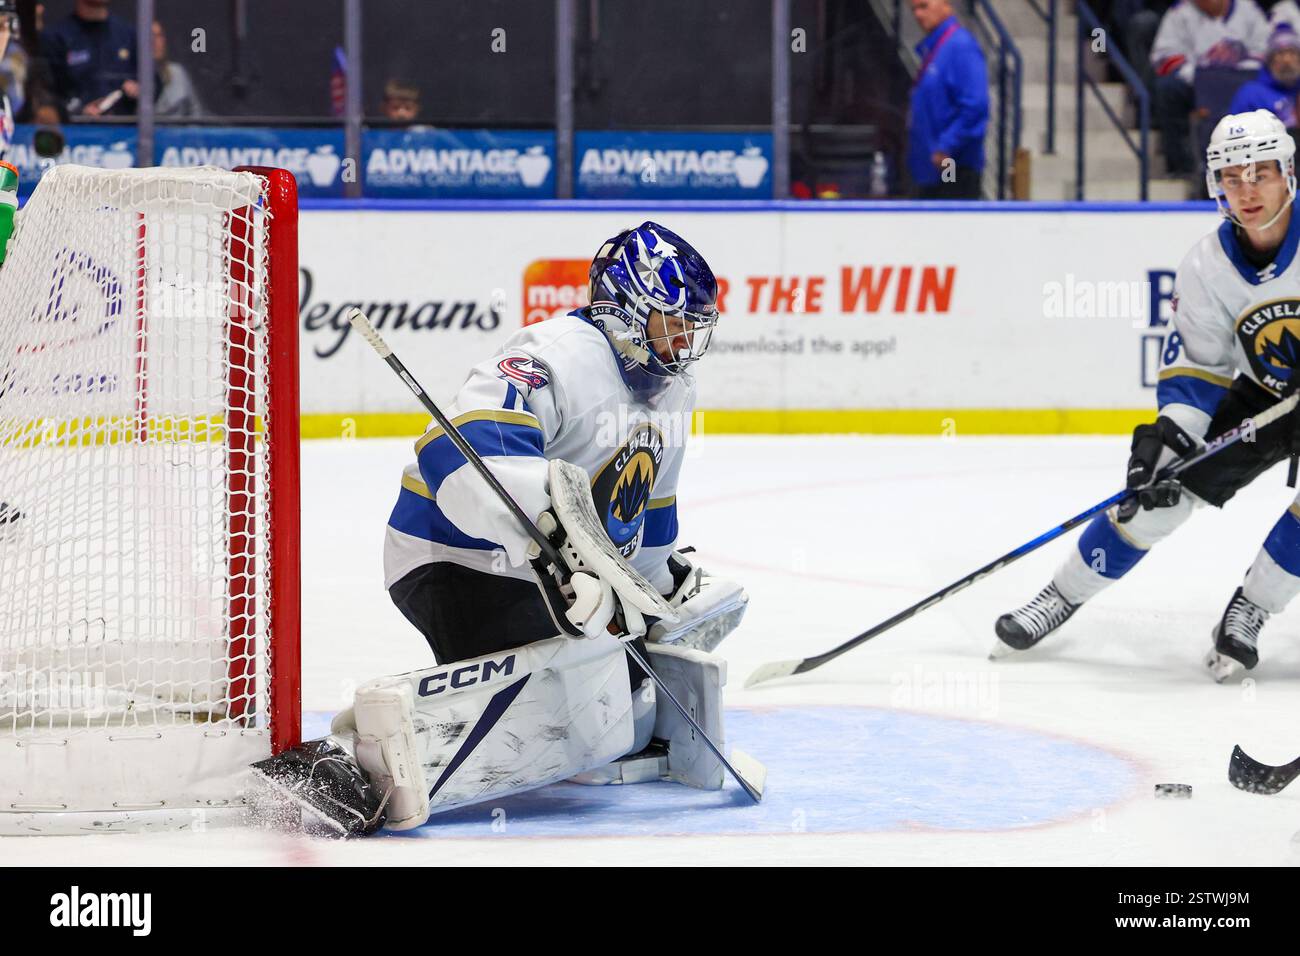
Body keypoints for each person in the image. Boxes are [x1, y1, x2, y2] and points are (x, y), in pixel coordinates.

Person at [255, 223, 751, 833]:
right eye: (672, 324)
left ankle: (595, 701)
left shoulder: (676, 390)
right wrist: (557, 551)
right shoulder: (556, 352)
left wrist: (651, 599)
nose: (683, 345)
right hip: (453, 557)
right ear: (625, 309)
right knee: (578, 686)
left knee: (609, 669)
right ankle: (344, 764)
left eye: (691, 330)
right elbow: (456, 457)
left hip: (553, 578)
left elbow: (648, 514)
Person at [995, 110, 1300, 683]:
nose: (1246, 190)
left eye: (1258, 173)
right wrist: (1170, 439)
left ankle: (1252, 609)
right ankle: (1061, 595)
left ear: (1287, 172)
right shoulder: (1208, 266)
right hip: (1264, 395)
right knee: (1162, 495)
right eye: (1231, 177)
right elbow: (1198, 369)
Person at [1150, 0, 1270, 175]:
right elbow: (1162, 57)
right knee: (1167, 88)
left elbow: (1267, 51)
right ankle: (1181, 165)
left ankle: (1261, 162)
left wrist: (1238, 60)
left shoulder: (1248, 9)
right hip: (1196, 81)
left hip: (1240, 82)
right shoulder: (1180, 13)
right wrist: (1200, 72)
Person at [906, 0, 988, 200]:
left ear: (945, 4)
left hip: (949, 164)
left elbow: (975, 105)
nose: (918, 15)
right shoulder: (936, 48)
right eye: (914, 9)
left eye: (924, 6)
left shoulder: (960, 47)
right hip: (931, 168)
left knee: (950, 213)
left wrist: (946, 146)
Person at [42, 0, 136, 117]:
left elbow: (153, 82)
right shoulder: (56, 38)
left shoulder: (128, 35)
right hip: (77, 127)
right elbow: (46, 91)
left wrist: (139, 89)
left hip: (126, 128)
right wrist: (78, 110)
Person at [1228, 26, 1300, 127]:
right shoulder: (1250, 94)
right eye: (1280, 53)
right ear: (1270, 60)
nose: (1286, 60)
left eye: (1292, 53)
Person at [152, 20, 202, 117]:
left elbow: (195, 111)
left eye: (159, 36)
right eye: (149, 36)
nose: (154, 41)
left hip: (179, 130)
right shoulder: (132, 76)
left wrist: (190, 131)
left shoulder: (177, 73)